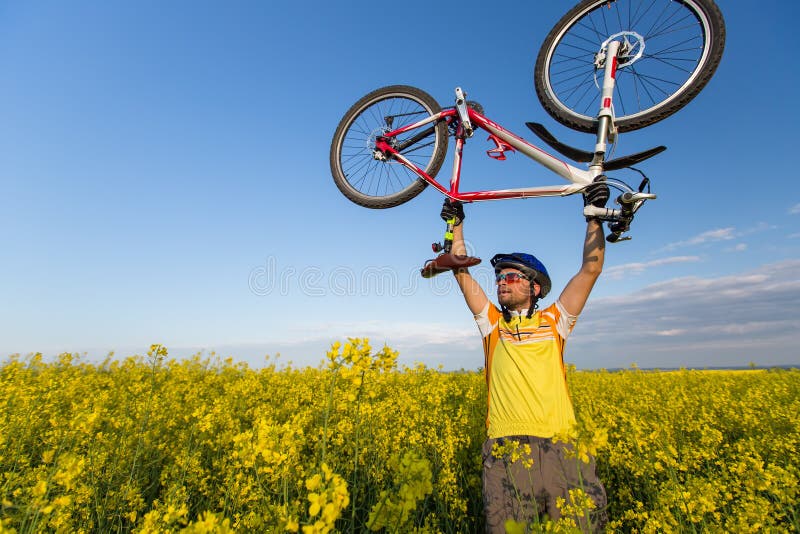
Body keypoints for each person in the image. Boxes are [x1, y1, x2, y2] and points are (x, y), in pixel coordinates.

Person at [440, 180, 609, 533]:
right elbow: (460, 269)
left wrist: (594, 217)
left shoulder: (555, 321)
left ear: (535, 288)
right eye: (500, 277)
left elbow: (590, 270)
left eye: (513, 276)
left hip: (564, 449)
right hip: (505, 450)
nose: (502, 281)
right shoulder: (492, 326)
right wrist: (455, 223)